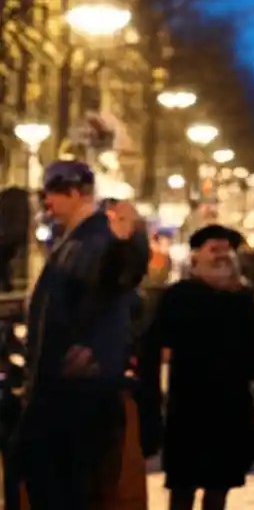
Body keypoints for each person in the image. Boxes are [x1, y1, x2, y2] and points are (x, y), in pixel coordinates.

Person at [12, 162, 149, 510]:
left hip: (73, 394)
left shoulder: (94, 239)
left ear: (74, 193)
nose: (46, 205)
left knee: (65, 490)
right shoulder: (76, 239)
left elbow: (119, 279)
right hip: (67, 389)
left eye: (52, 195)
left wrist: (93, 355)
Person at [144, 224, 254, 510]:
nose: (221, 256)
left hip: (228, 409)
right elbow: (153, 344)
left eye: (226, 251)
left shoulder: (243, 299)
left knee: (218, 491)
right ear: (197, 257)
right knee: (182, 491)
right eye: (214, 250)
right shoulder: (179, 296)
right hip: (188, 408)